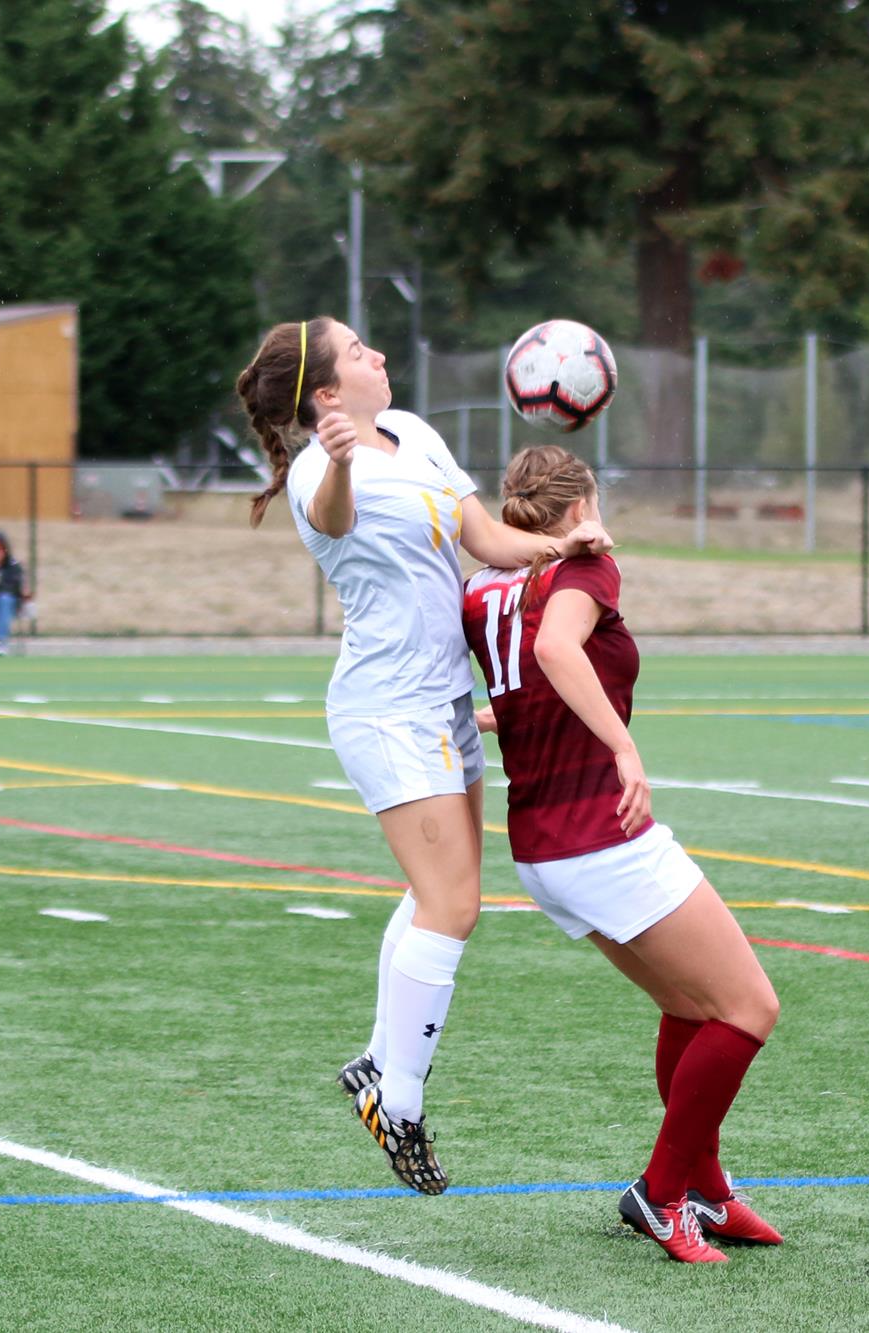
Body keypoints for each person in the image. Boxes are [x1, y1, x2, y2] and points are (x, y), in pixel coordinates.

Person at [235, 316, 610, 1194]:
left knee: (436, 896)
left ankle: (376, 1064)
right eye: (358, 352)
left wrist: (561, 547)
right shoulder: (317, 476)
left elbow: (485, 540)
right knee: (455, 905)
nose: (379, 356)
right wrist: (335, 457)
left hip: (441, 701)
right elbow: (336, 513)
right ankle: (396, 1100)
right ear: (327, 393)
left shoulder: (420, 436)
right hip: (386, 710)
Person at [463, 445, 782, 1265]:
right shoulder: (587, 569)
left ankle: (706, 1190)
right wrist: (625, 749)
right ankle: (662, 1190)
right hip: (597, 834)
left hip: (544, 846)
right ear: (582, 502)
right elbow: (556, 655)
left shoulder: (487, 586)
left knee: (693, 1008)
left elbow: (519, 692)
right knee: (749, 1009)